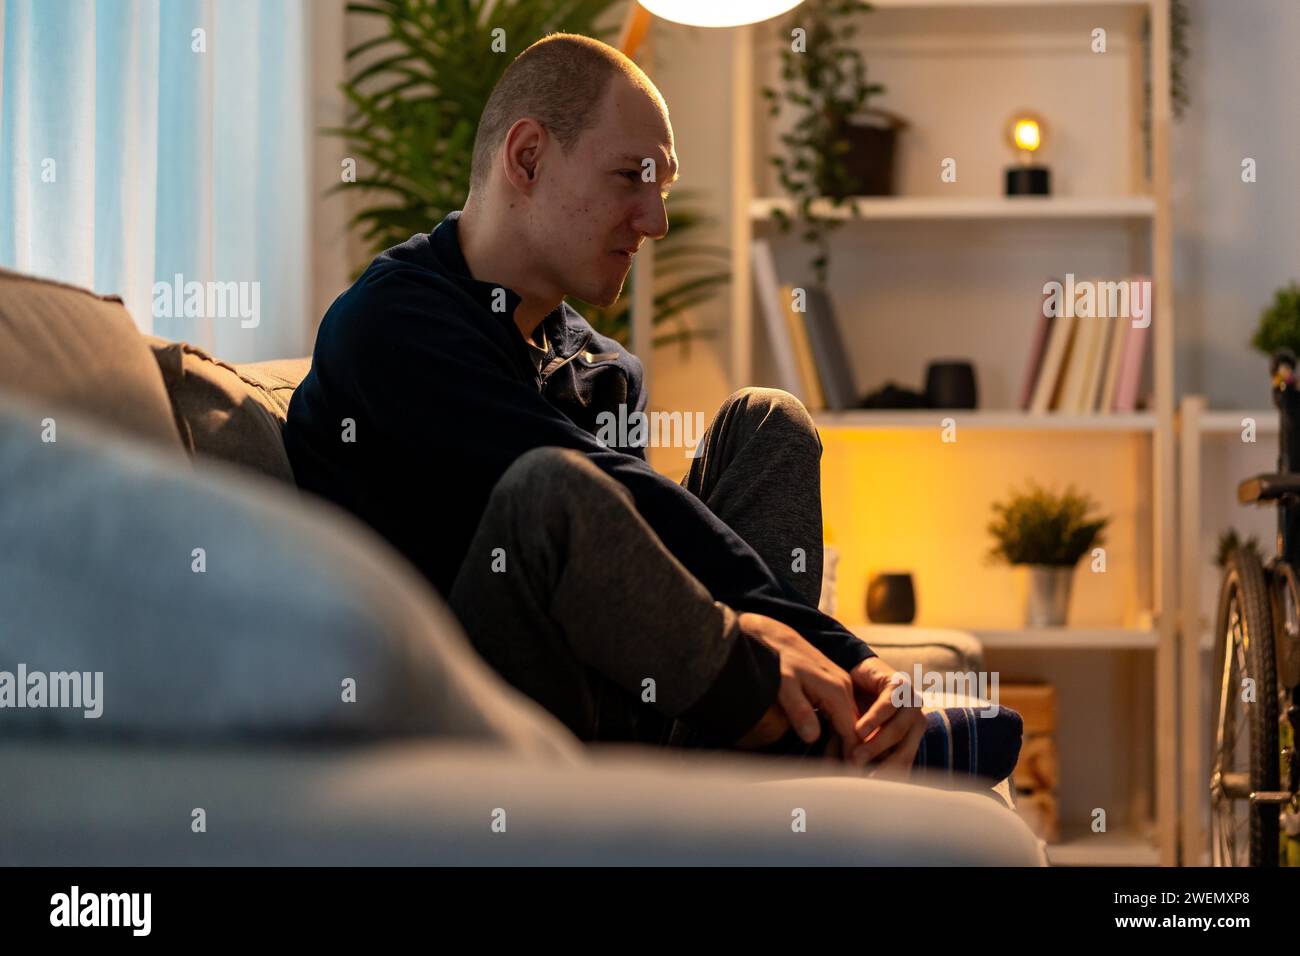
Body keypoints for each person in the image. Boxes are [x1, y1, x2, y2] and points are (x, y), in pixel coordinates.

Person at [286, 33, 1019, 783]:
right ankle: (827, 740)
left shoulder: (603, 368)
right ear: (528, 158)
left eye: (663, 188)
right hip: (466, 713)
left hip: (620, 704)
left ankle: (792, 739)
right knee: (555, 488)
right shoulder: (393, 324)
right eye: (632, 178)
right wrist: (845, 655)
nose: (656, 221)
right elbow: (605, 496)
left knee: (768, 419)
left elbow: (637, 570)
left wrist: (778, 638)